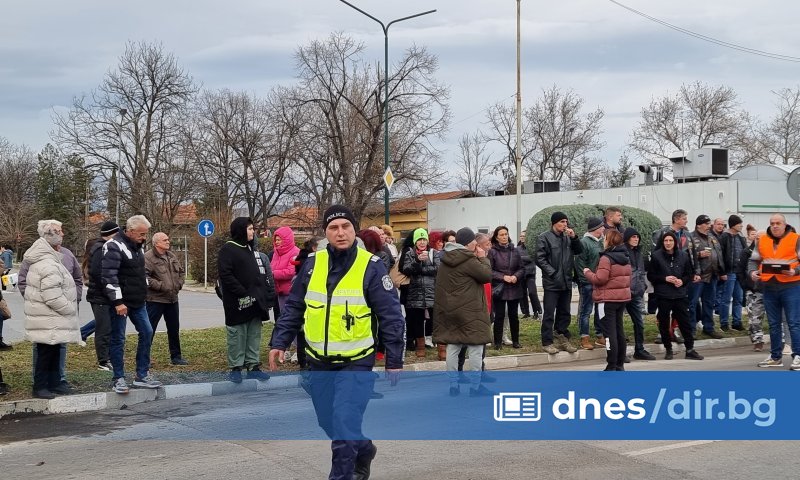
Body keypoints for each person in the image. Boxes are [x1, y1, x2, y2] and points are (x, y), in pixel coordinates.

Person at [268, 204, 405, 480]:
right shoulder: (312, 264)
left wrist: (394, 359)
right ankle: (364, 449)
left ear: (354, 230)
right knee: (327, 421)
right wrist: (279, 342)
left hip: (356, 362)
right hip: (319, 361)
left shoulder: (372, 267)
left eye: (346, 227)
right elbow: (294, 307)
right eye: (333, 227)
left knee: (343, 424)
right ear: (325, 232)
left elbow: (391, 316)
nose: (340, 233)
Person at [19, 221, 83, 393]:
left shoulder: (53, 257)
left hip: (51, 317)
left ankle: (54, 383)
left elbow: (75, 279)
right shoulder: (47, 263)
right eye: (59, 232)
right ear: (50, 235)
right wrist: (70, 309)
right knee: (46, 353)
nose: (62, 234)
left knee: (53, 351)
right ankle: (40, 386)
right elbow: (52, 296)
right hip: (49, 316)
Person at [103, 215, 162, 393]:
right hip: (120, 303)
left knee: (147, 331)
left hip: (138, 301)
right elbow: (109, 276)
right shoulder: (113, 246)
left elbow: (139, 273)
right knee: (118, 339)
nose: (145, 237)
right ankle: (118, 378)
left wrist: (145, 289)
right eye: (142, 234)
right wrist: (118, 302)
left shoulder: (138, 247)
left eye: (145, 234)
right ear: (130, 231)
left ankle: (142, 374)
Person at [434, 227, 493, 397]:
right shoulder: (468, 259)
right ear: (468, 243)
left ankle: (454, 385)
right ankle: (476, 387)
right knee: (475, 346)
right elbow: (486, 276)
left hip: (451, 310)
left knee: (453, 345)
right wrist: (483, 259)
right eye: (474, 241)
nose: (476, 244)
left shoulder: (445, 259)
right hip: (470, 310)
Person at [218, 217, 275, 382]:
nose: (253, 232)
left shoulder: (249, 249)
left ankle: (253, 366)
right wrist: (242, 292)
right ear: (241, 230)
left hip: (255, 301)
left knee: (253, 334)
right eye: (250, 229)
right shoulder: (228, 249)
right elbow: (226, 275)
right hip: (237, 303)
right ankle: (236, 368)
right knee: (238, 334)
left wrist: (262, 294)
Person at [748, 214, 800, 370]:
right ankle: (775, 356)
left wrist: (795, 271)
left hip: (791, 286)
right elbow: (753, 260)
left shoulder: (796, 238)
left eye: (778, 223)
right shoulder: (762, 240)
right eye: (772, 223)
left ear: (785, 225)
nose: (775, 226)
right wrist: (752, 273)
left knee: (794, 323)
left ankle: (798, 355)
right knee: (773, 324)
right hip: (769, 286)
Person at [648, 231, 704, 360]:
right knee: (663, 323)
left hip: (680, 294)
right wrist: (665, 278)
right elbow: (651, 276)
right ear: (662, 242)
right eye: (666, 241)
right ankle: (668, 349)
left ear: (675, 242)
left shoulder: (683, 255)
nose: (668, 243)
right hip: (663, 295)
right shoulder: (656, 256)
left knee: (685, 323)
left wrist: (682, 281)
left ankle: (690, 349)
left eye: (670, 241)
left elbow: (688, 274)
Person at [583, 229, 631, 371]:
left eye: (605, 239)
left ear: (609, 241)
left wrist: (588, 273)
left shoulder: (606, 258)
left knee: (609, 336)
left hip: (606, 300)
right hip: (621, 299)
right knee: (619, 331)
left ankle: (611, 365)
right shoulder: (625, 257)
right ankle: (620, 364)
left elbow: (600, 279)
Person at [536, 211, 582, 354]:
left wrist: (574, 238)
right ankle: (547, 342)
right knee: (549, 313)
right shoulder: (544, 237)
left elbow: (579, 250)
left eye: (566, 222)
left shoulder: (568, 238)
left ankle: (562, 339)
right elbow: (540, 258)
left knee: (565, 313)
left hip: (566, 281)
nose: (565, 224)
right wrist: (553, 273)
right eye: (562, 221)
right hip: (552, 282)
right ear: (554, 223)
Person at [81, 221, 120, 370]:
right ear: (111, 234)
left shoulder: (108, 247)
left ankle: (109, 357)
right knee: (103, 329)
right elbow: (98, 274)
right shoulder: (100, 248)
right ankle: (103, 361)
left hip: (108, 295)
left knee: (108, 328)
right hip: (100, 296)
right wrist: (110, 289)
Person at [145, 232, 187, 366]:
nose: (168, 242)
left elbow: (181, 272)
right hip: (155, 300)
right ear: (156, 243)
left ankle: (176, 356)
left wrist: (179, 284)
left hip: (172, 299)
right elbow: (145, 278)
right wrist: (161, 286)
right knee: (149, 329)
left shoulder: (171, 256)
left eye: (168, 239)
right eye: (165, 240)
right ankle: (144, 357)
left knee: (174, 328)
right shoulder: (148, 258)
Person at [651, 209, 690, 345]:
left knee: (681, 309)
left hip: (680, 278)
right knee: (663, 310)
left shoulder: (686, 234)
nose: (686, 221)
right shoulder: (661, 233)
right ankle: (662, 332)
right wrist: (663, 276)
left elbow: (691, 254)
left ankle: (675, 330)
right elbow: (655, 256)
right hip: (664, 279)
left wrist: (693, 273)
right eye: (684, 218)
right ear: (676, 219)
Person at [400, 228, 440, 358]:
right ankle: (420, 347)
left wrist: (420, 268)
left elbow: (437, 269)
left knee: (436, 321)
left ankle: (441, 348)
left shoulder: (434, 253)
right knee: (417, 321)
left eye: (424, 240)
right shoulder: (410, 253)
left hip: (432, 291)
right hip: (415, 293)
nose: (422, 242)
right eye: (419, 240)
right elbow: (406, 269)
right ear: (415, 241)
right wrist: (417, 261)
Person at [688, 214, 725, 338]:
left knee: (709, 303)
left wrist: (721, 271)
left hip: (712, 275)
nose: (709, 226)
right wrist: (699, 254)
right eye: (707, 223)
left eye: (710, 223)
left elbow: (718, 254)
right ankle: (691, 329)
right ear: (699, 225)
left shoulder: (711, 237)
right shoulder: (691, 237)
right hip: (698, 276)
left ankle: (708, 327)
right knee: (692, 303)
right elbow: (686, 255)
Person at [488, 225, 524, 349]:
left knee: (514, 316)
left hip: (514, 286)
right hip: (500, 288)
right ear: (496, 238)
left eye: (506, 234)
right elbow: (489, 271)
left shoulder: (515, 250)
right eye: (501, 235)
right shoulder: (492, 251)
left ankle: (516, 341)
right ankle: (497, 343)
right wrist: (503, 277)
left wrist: (516, 276)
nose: (504, 237)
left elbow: (521, 268)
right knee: (499, 316)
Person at [623, 227, 655, 360]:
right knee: (618, 325)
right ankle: (619, 352)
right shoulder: (622, 252)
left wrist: (642, 286)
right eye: (633, 237)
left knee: (639, 323)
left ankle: (639, 349)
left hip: (637, 293)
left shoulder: (638, 253)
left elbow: (641, 272)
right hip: (623, 293)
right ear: (627, 238)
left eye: (637, 237)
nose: (636, 239)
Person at [574, 217, 605, 350]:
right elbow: (580, 264)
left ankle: (599, 336)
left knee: (599, 310)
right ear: (596, 229)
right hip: (587, 283)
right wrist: (586, 280)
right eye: (602, 227)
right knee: (586, 311)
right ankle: (584, 338)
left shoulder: (600, 242)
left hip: (599, 282)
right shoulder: (584, 242)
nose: (604, 229)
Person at [718, 215, 746, 331]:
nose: (741, 226)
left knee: (738, 298)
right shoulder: (724, 237)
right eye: (740, 224)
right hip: (728, 272)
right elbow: (720, 255)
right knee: (726, 298)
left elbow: (745, 253)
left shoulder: (741, 237)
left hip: (739, 273)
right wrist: (722, 271)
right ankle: (724, 323)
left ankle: (737, 322)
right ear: (734, 224)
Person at [517, 231, 542, 321]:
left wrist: (521, 258)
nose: (522, 237)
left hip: (530, 274)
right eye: (521, 236)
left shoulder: (531, 248)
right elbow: (516, 259)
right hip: (521, 274)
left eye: (524, 236)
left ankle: (537, 311)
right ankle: (526, 313)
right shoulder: (517, 248)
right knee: (522, 294)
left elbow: (531, 258)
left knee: (532, 292)